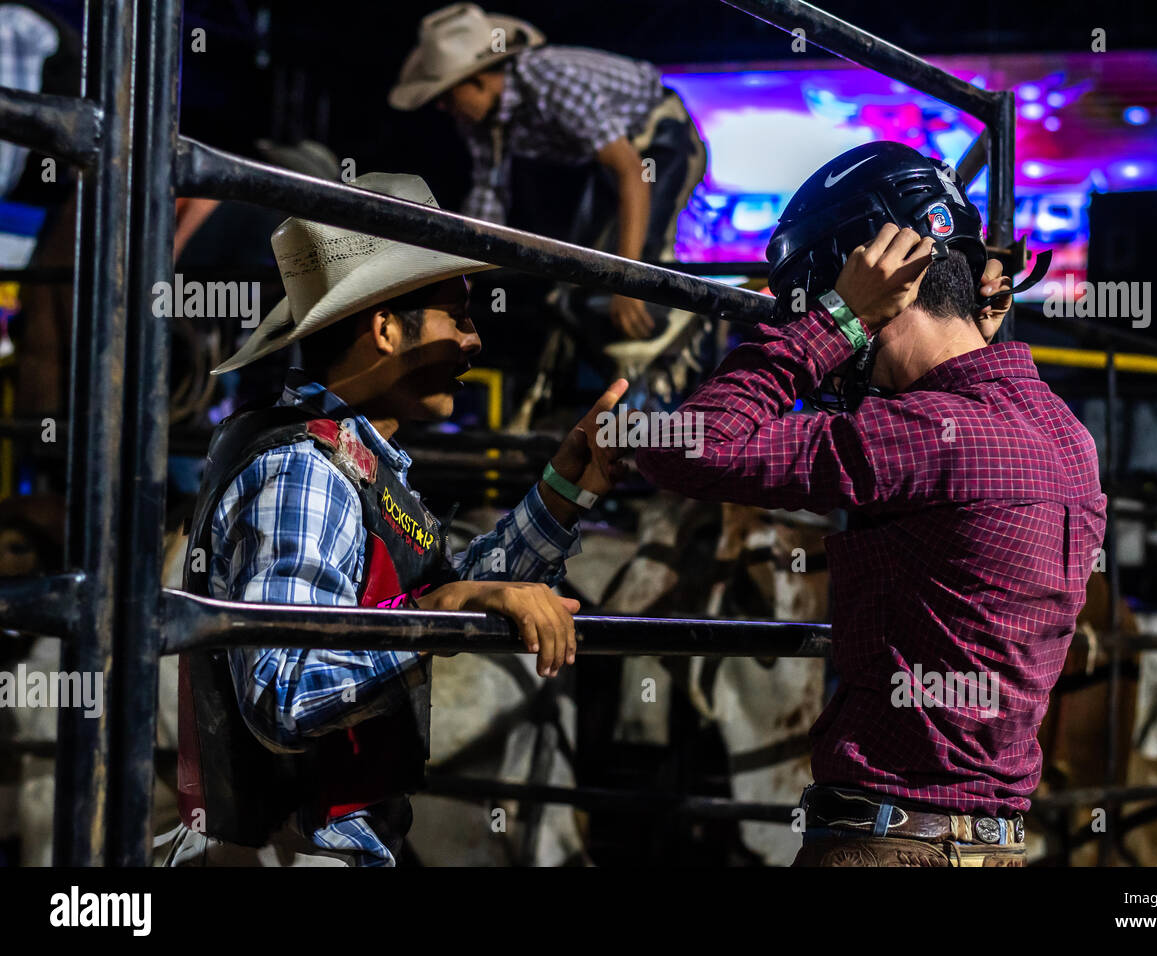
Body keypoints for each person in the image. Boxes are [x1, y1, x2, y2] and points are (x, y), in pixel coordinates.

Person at [635, 142, 1107, 867]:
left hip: (887, 844)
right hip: (1000, 845)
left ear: (876, 287)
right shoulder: (1068, 436)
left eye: (825, 290)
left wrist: (834, 320)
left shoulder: (918, 436)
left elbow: (683, 444)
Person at [167, 172, 627, 867]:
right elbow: (283, 694)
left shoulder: (348, 462)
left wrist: (563, 490)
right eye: (458, 315)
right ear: (384, 328)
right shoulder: (307, 471)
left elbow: (439, 598)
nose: (474, 341)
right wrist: (435, 613)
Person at [388, 3, 707, 341]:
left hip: (659, 138)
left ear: (478, 82)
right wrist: (460, 283)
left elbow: (633, 171)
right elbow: (488, 201)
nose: (444, 108)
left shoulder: (550, 82)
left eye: (448, 97)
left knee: (633, 276)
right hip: (616, 157)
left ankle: (679, 344)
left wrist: (626, 286)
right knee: (581, 278)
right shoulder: (482, 123)